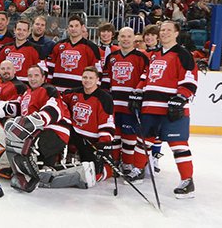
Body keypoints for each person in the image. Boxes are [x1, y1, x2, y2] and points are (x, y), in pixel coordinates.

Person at [129, 20, 197, 198]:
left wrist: (181, 97)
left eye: (168, 30)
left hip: (171, 108)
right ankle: (138, 170)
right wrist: (138, 91)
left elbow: (190, 78)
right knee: (143, 140)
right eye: (162, 30)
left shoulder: (183, 54)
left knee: (178, 144)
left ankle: (187, 181)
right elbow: (146, 76)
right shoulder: (154, 55)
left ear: (176, 33)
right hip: (151, 106)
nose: (164, 33)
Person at [0, 64, 72, 192]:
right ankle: (23, 169)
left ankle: (35, 171)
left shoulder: (49, 89)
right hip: (36, 132)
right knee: (13, 134)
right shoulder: (27, 92)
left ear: (43, 77)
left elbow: (54, 109)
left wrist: (35, 121)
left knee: (26, 142)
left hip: (55, 133)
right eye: (30, 76)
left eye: (36, 75)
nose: (33, 79)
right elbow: (17, 107)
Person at [101, 26, 150, 172]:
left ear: (134, 38)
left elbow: (146, 78)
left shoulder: (142, 57)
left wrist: (138, 95)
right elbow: (105, 79)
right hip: (114, 103)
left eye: (129, 36)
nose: (126, 39)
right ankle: (115, 161)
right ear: (118, 38)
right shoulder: (112, 57)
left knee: (129, 135)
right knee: (115, 134)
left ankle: (127, 163)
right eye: (123, 36)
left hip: (131, 104)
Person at [58, 67, 115, 188]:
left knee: (98, 167)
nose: (87, 80)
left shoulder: (105, 98)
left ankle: (100, 173)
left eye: (91, 78)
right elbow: (59, 100)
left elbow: (107, 123)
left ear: (97, 80)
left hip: (92, 141)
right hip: (76, 134)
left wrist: (103, 144)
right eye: (85, 77)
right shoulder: (73, 93)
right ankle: (62, 160)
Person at [45, 15, 102, 90]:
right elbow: (50, 67)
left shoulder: (92, 47)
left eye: (76, 26)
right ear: (68, 29)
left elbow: (97, 71)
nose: (73, 29)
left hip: (80, 91)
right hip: (57, 90)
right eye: (71, 26)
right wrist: (49, 87)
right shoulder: (58, 45)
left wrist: (93, 91)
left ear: (82, 27)